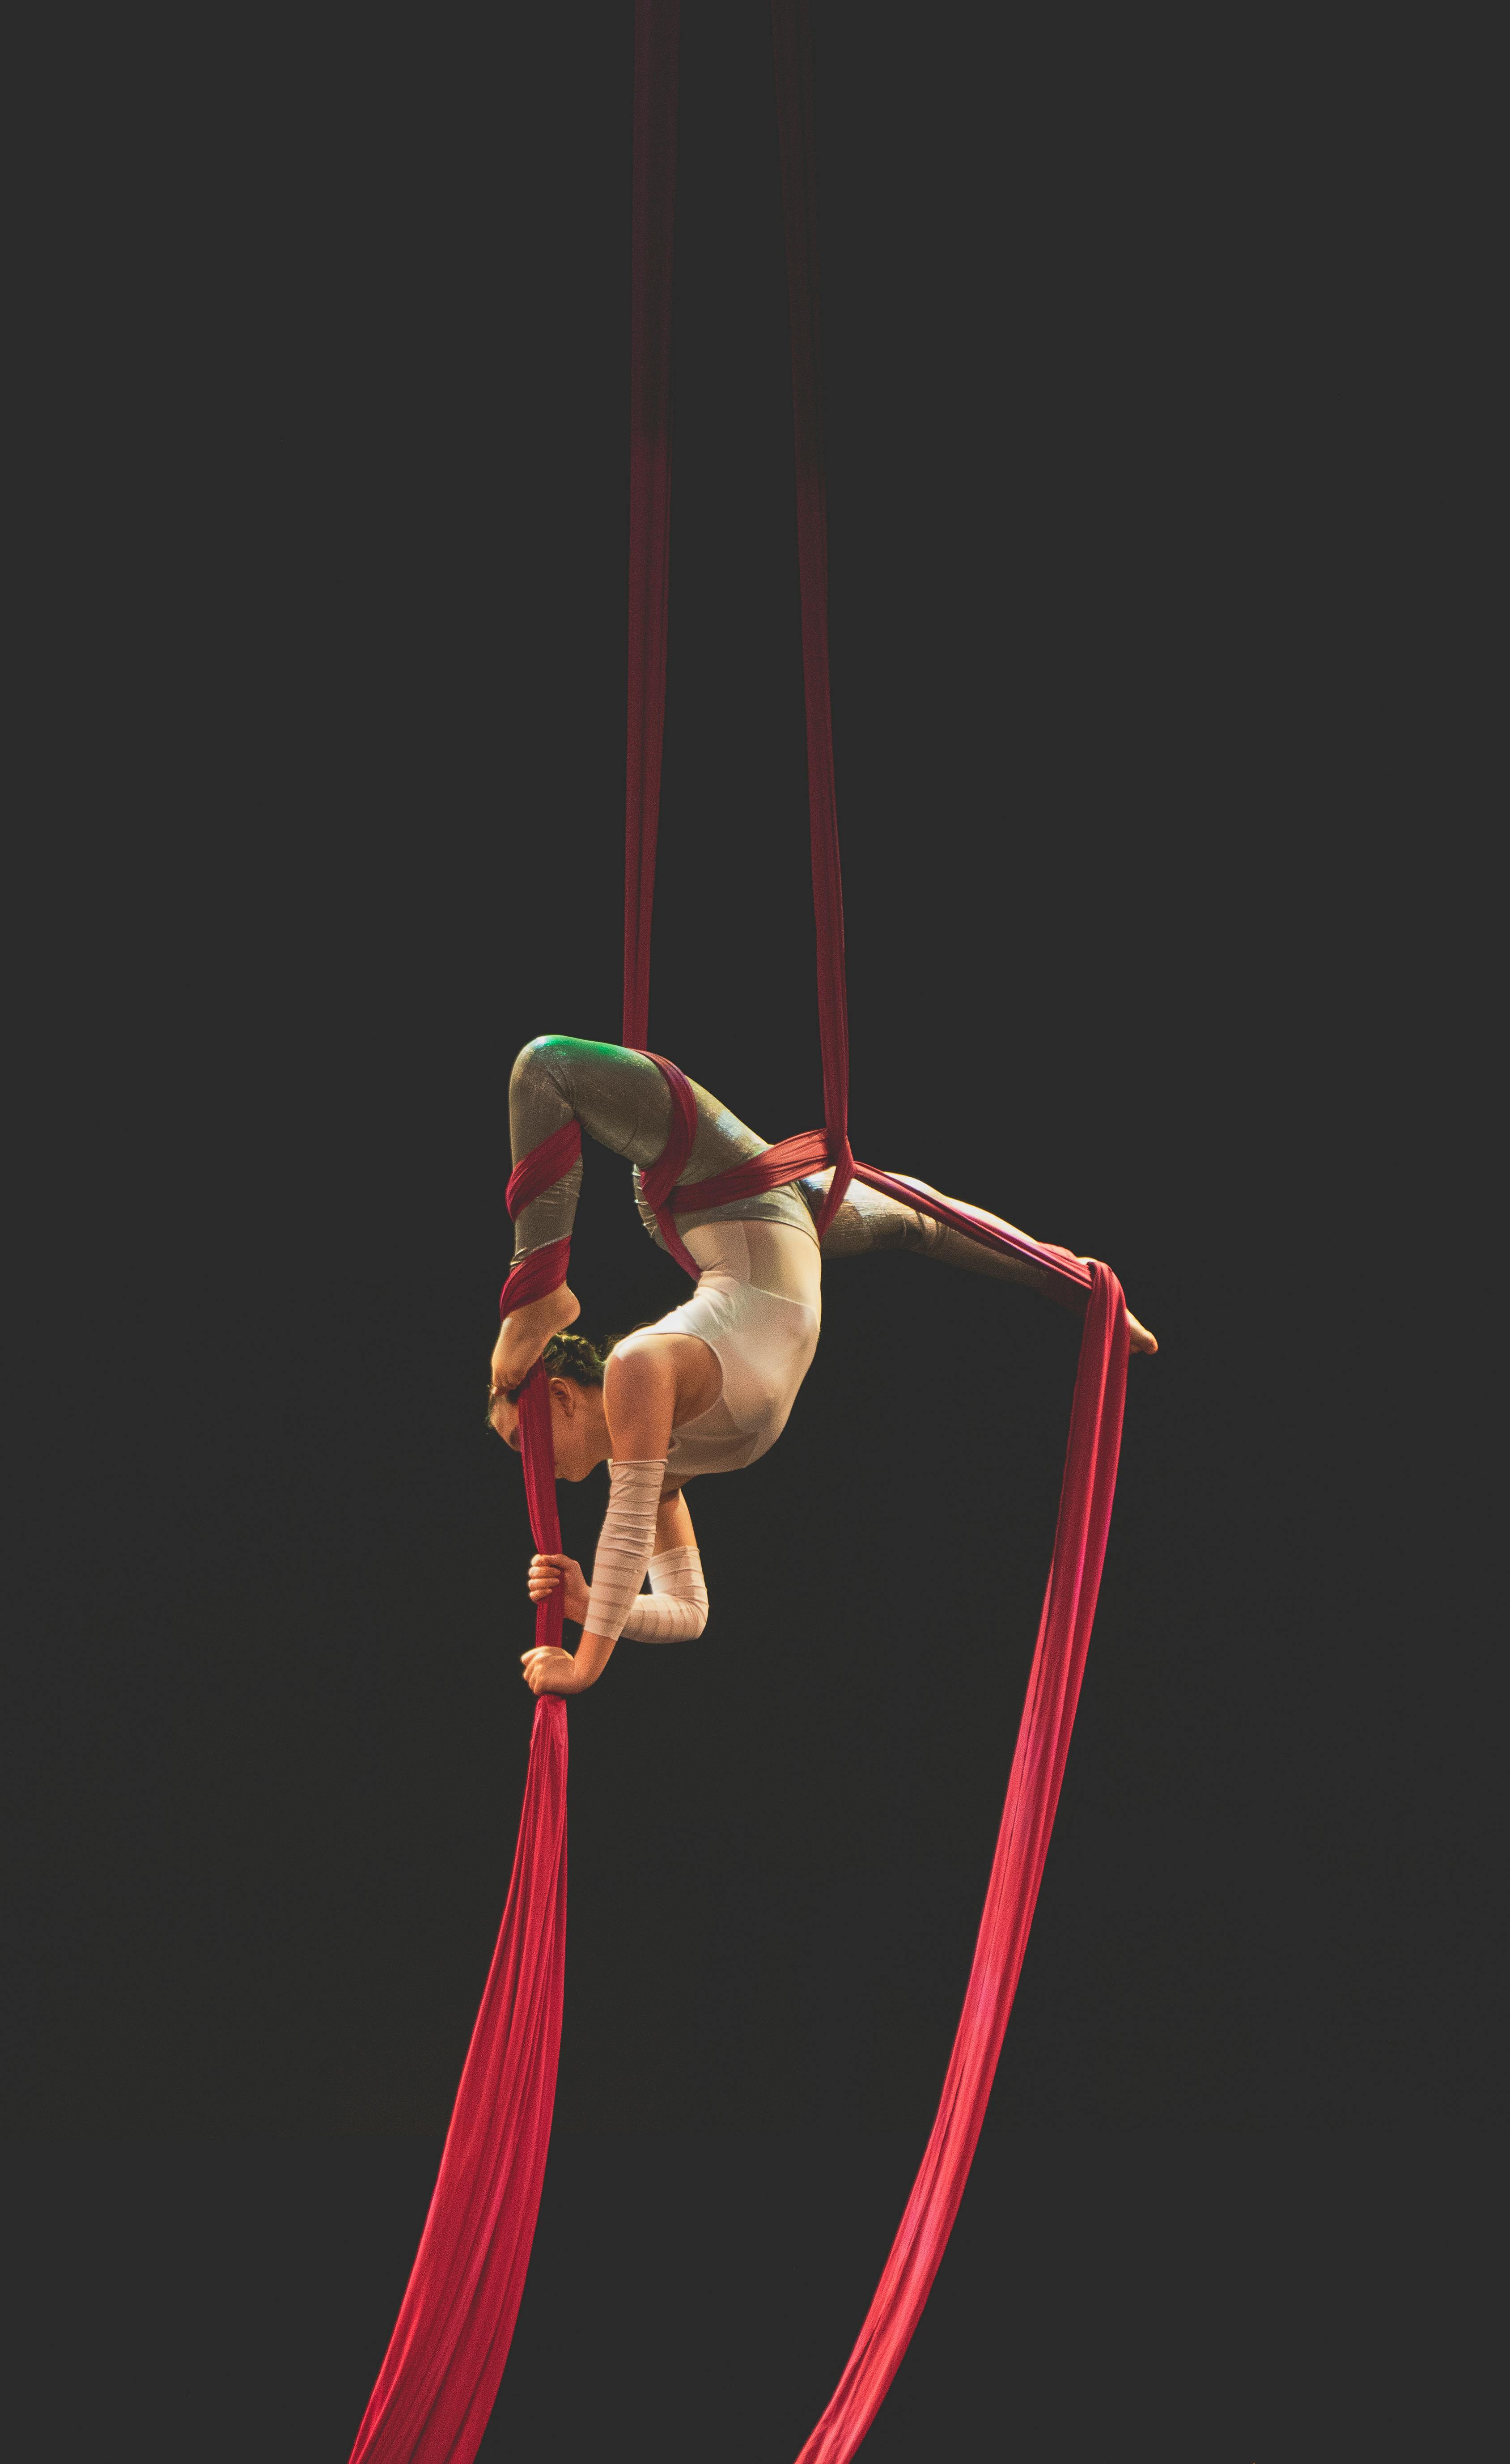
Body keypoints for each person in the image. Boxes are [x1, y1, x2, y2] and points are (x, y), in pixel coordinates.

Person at [487, 1036, 1155, 1701]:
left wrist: (584, 1664)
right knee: (921, 1217)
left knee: (546, 1069)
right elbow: (689, 1611)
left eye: (524, 1439)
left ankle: (538, 1290)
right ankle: (1082, 1286)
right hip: (785, 1222)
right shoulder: (667, 1462)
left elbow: (625, 1529)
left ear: (564, 1395)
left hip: (715, 1195)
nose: (529, 1464)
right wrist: (588, 1605)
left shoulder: (639, 1367)